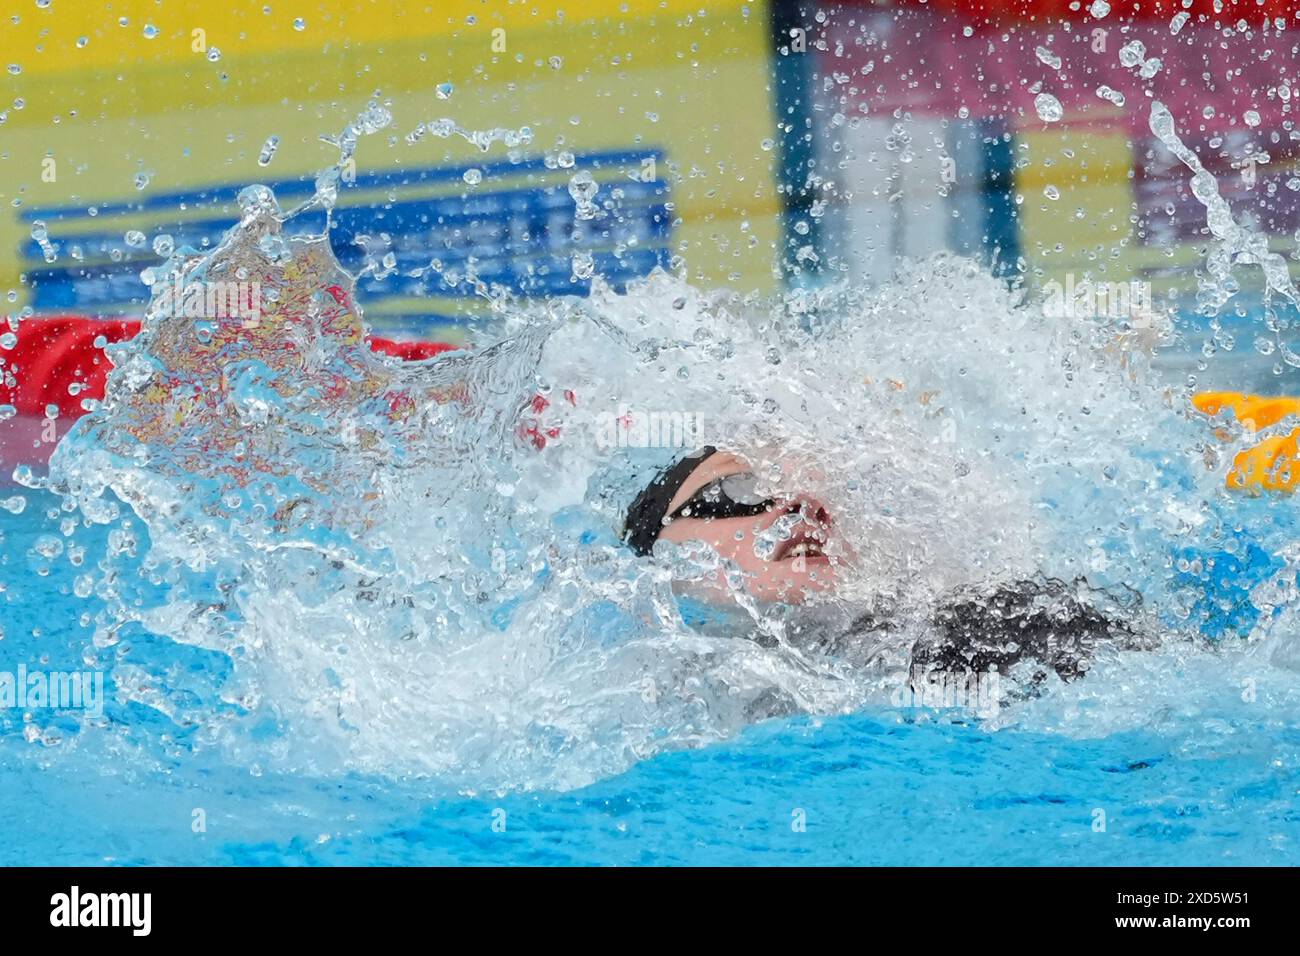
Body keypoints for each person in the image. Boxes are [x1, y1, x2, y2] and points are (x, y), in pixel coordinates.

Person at [616, 444, 1147, 688]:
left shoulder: (964, 633)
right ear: (655, 564)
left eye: (811, 489)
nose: (802, 505)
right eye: (744, 488)